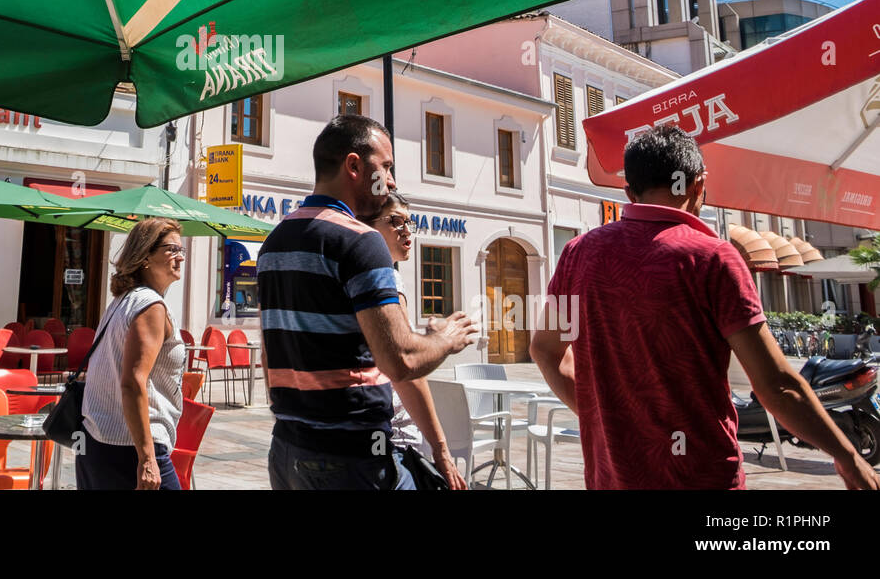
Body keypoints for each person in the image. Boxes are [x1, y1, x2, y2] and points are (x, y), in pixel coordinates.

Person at [530, 125, 879, 490]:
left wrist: (603, 419)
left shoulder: (578, 253)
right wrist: (847, 455)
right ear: (698, 185)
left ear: (629, 193)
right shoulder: (712, 258)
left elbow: (545, 349)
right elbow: (776, 386)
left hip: (611, 478)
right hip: (699, 475)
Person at [258, 114, 479, 489]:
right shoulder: (361, 241)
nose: (391, 180)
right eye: (387, 166)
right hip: (353, 458)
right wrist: (447, 338)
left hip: (287, 450)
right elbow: (400, 360)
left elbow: (268, 357)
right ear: (354, 165)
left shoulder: (274, 242)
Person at [358, 191, 468, 489]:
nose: (407, 231)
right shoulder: (386, 279)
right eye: (394, 222)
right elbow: (405, 368)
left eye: (409, 222)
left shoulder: (363, 273)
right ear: (368, 227)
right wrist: (442, 451)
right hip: (391, 436)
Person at [78, 217, 187, 490]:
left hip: (97, 439)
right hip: (133, 447)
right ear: (146, 256)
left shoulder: (122, 301)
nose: (180, 257)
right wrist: (148, 459)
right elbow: (133, 382)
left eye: (181, 250)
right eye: (172, 249)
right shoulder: (150, 305)